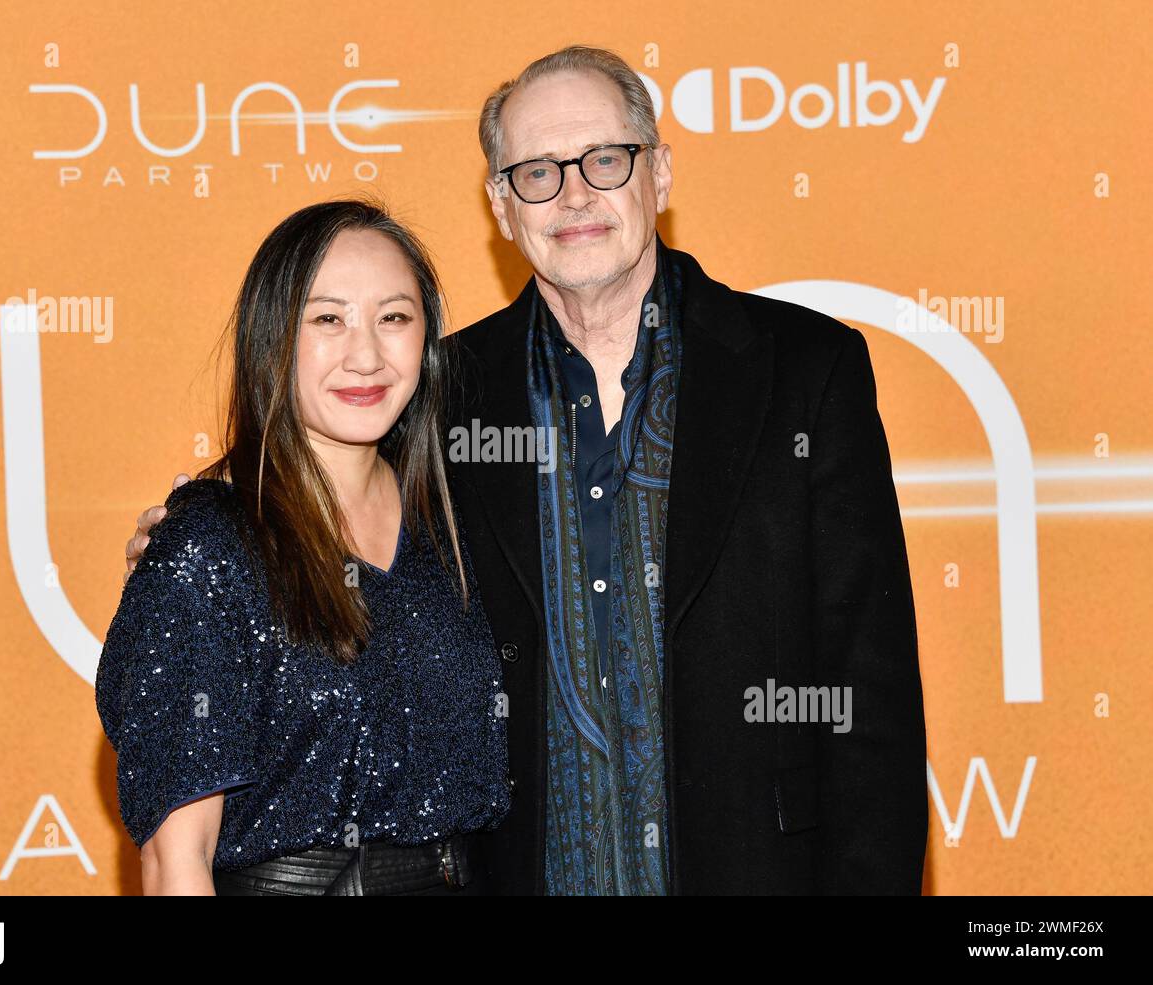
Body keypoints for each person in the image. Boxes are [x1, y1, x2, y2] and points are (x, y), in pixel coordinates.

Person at [128, 45, 929, 896]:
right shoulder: (439, 394)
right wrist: (206, 523)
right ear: (502, 208)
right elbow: (313, 471)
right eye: (537, 172)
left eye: (605, 160)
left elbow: (868, 691)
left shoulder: (804, 369)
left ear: (658, 174)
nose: (574, 193)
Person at [96, 199, 510, 895]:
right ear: (272, 338)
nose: (367, 354)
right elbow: (177, 863)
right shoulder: (210, 546)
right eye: (328, 318)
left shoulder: (454, 526)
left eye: (395, 317)